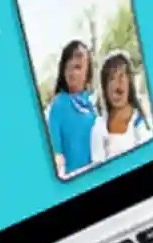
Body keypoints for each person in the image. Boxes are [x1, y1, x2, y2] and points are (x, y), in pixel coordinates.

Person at [90, 51, 153, 164]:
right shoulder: (99, 128)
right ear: (105, 88)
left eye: (121, 76)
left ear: (129, 82)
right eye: (111, 78)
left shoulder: (140, 124)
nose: (117, 84)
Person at [46, 40, 97, 179]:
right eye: (67, 67)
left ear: (88, 72)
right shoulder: (58, 105)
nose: (71, 72)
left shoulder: (95, 103)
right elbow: (55, 152)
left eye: (78, 67)